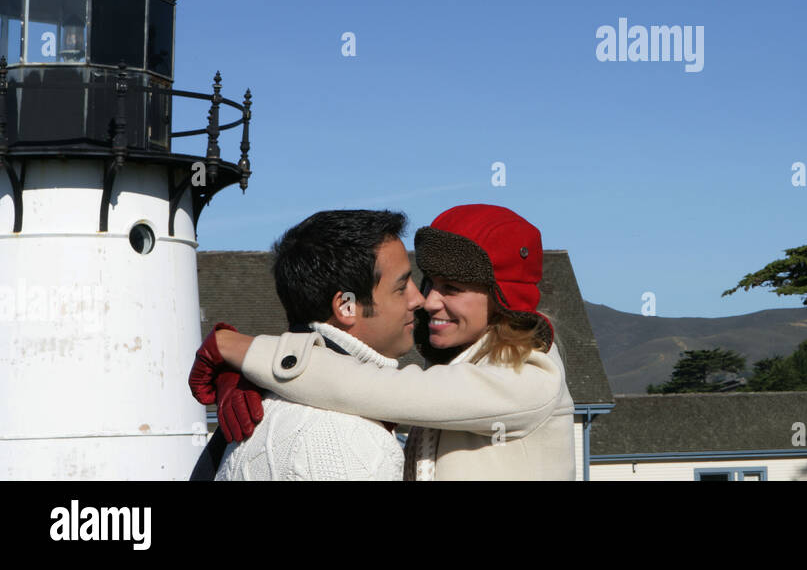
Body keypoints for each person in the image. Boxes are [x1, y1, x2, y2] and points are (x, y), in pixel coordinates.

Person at [194, 204, 576, 480]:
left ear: (500, 299)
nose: (427, 300)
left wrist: (245, 353)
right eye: (430, 282)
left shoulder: (530, 376)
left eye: (453, 288)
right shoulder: (463, 365)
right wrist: (257, 376)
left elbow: (379, 388)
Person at [189, 209, 423, 480]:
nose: (419, 299)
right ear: (345, 306)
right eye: (401, 286)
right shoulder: (353, 442)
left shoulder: (263, 405)